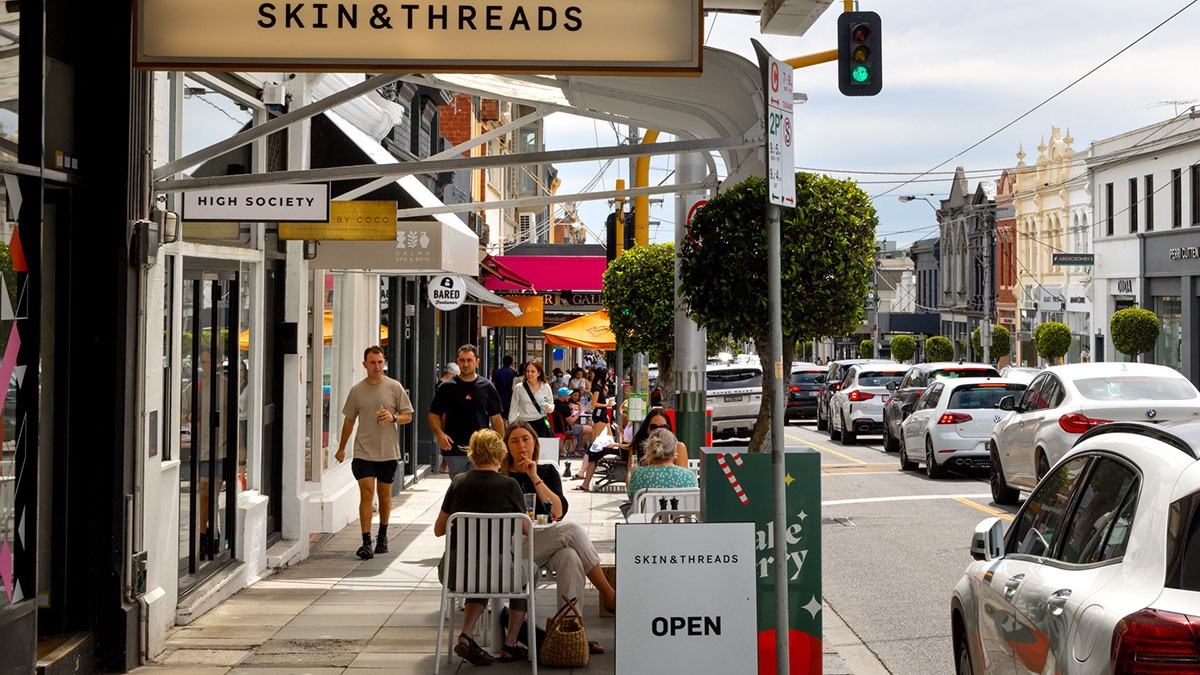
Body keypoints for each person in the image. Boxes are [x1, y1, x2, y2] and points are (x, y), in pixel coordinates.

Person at [501, 423, 618, 625]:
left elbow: (557, 512)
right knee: (571, 530)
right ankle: (609, 594)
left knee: (570, 556)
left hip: (546, 541)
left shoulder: (546, 471)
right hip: (515, 547)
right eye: (514, 441)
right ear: (507, 447)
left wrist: (534, 476)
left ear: (534, 443)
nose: (521, 445)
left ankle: (570, 629)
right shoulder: (502, 477)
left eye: (525, 439)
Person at [433, 430, 529, 666]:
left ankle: (467, 632)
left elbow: (439, 529)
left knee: (479, 569)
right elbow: (526, 529)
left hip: (456, 571)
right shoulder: (510, 485)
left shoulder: (459, 482)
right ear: (500, 453)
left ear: (473, 454)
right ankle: (510, 643)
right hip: (497, 570)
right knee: (524, 574)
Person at [335, 346, 415, 559]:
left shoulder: (394, 387)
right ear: (364, 365)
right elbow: (349, 420)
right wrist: (342, 448)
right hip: (363, 451)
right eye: (372, 362)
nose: (377, 367)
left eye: (380, 362)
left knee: (384, 495)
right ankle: (365, 541)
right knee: (367, 492)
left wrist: (394, 417)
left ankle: (383, 535)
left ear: (384, 362)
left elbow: (408, 415)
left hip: (388, 451)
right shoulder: (357, 391)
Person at [428, 344, 506, 478]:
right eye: (462, 360)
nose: (465, 364)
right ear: (457, 361)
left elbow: (496, 418)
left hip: (481, 449)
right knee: (460, 489)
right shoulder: (446, 387)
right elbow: (433, 415)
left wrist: (499, 446)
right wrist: (440, 434)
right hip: (454, 449)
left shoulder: (487, 387)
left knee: (480, 488)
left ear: (477, 362)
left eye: (469, 360)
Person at [626, 428, 697, 500]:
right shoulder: (689, 476)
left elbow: (632, 500)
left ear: (649, 450)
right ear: (673, 451)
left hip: (648, 511)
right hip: (679, 511)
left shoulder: (639, 474)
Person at [507, 360, 555, 437]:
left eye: (533, 371)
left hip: (541, 423)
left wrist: (548, 407)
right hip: (524, 424)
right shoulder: (519, 388)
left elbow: (551, 405)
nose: (529, 374)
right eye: (527, 371)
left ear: (539, 373)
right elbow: (513, 408)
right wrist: (512, 426)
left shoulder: (545, 387)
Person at [436, 362, 460, 474]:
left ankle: (445, 465)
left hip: (446, 416)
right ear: (451, 374)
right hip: (444, 417)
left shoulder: (442, 384)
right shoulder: (443, 385)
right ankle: (444, 465)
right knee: (448, 439)